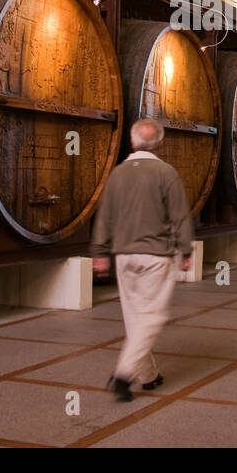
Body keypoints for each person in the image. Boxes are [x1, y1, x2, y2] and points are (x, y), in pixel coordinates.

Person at [90, 119, 194, 401]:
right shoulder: (166, 172)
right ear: (160, 144)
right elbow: (180, 216)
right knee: (152, 316)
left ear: (133, 141)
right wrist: (186, 250)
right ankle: (123, 375)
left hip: (124, 255)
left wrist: (99, 253)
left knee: (135, 317)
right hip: (156, 255)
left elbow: (105, 216)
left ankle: (148, 375)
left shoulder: (117, 173)